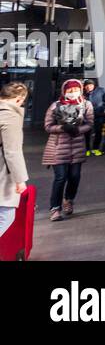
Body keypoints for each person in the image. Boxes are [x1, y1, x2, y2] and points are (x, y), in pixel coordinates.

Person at [42, 79, 92, 222]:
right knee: (60, 177)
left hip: (77, 147)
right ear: (64, 91)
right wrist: (62, 128)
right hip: (58, 147)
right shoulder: (55, 106)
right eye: (70, 91)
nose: (73, 93)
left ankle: (68, 199)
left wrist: (77, 130)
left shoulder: (86, 105)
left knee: (75, 176)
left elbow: (90, 124)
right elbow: (48, 126)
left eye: (75, 90)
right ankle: (55, 209)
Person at [0, 82, 29, 236]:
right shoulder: (10, 115)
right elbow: (12, 151)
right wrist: (20, 179)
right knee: (5, 216)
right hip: (2, 172)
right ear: (20, 99)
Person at [83, 78, 105, 156]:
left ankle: (96, 149)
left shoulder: (101, 90)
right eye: (87, 86)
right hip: (86, 117)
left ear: (94, 85)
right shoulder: (82, 93)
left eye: (91, 85)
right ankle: (87, 149)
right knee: (86, 133)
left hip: (99, 115)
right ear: (84, 86)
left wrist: (101, 108)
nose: (89, 87)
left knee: (98, 132)